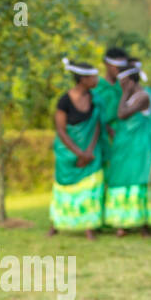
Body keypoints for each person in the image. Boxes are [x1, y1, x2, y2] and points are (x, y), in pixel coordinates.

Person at [49, 57, 105, 239]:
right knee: (63, 189)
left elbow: (96, 125)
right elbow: (61, 131)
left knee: (91, 187)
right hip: (68, 154)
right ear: (83, 80)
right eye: (93, 77)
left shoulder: (95, 100)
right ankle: (55, 224)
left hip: (90, 153)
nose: (97, 81)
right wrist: (78, 153)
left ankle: (89, 226)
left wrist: (89, 152)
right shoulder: (64, 101)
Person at [102, 58, 151, 236]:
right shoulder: (128, 96)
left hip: (139, 148)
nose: (120, 86)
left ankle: (144, 224)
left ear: (131, 81)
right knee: (121, 180)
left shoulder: (143, 96)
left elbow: (122, 114)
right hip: (125, 148)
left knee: (138, 181)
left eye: (123, 82)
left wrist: (126, 92)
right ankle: (122, 223)